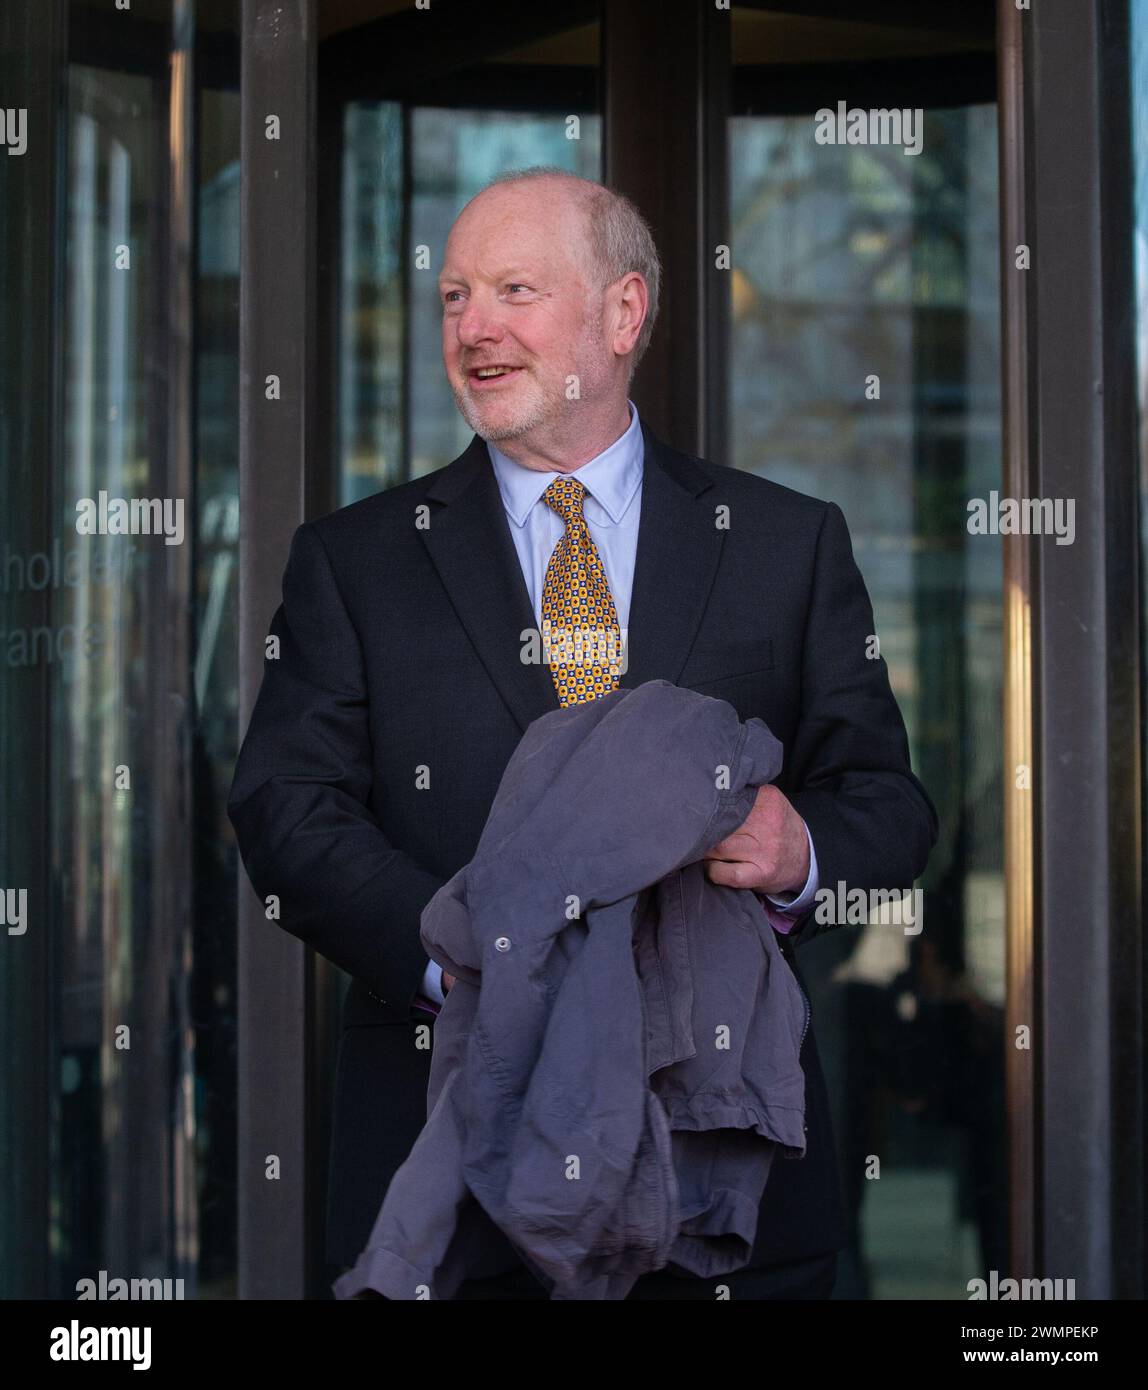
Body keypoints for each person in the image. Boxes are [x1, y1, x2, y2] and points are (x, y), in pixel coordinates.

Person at [227, 166, 937, 1301]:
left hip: (722, 1174)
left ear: (621, 312)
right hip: (450, 1169)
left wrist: (799, 849)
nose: (473, 327)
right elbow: (285, 809)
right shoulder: (355, 559)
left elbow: (888, 805)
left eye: (513, 288)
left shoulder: (781, 542)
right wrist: (458, 962)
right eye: (454, 297)